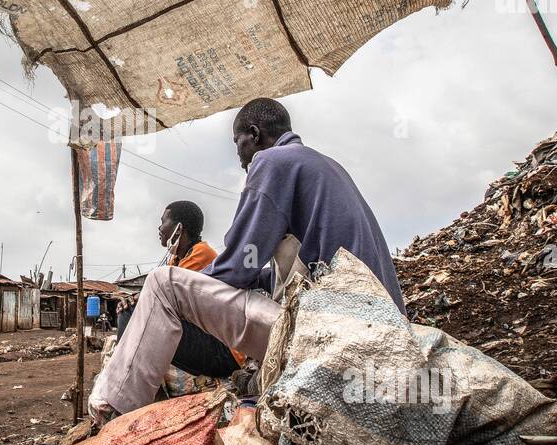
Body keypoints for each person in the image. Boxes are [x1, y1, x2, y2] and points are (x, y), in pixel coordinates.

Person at [90, 97, 404, 422]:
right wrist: (256, 277)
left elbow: (238, 266)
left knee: (162, 284)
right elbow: (282, 268)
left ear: (253, 135)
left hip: (335, 338)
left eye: (237, 143)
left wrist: (191, 292)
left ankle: (112, 413)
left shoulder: (272, 162)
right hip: (379, 332)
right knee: (169, 288)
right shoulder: (323, 166)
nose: (239, 155)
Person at [114, 199, 238, 380]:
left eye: (163, 221)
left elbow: (162, 298)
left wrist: (138, 300)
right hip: (210, 343)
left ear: (179, 228)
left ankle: (121, 377)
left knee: (131, 311)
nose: (159, 228)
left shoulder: (202, 254)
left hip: (224, 351)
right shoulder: (177, 260)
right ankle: (126, 374)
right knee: (131, 310)